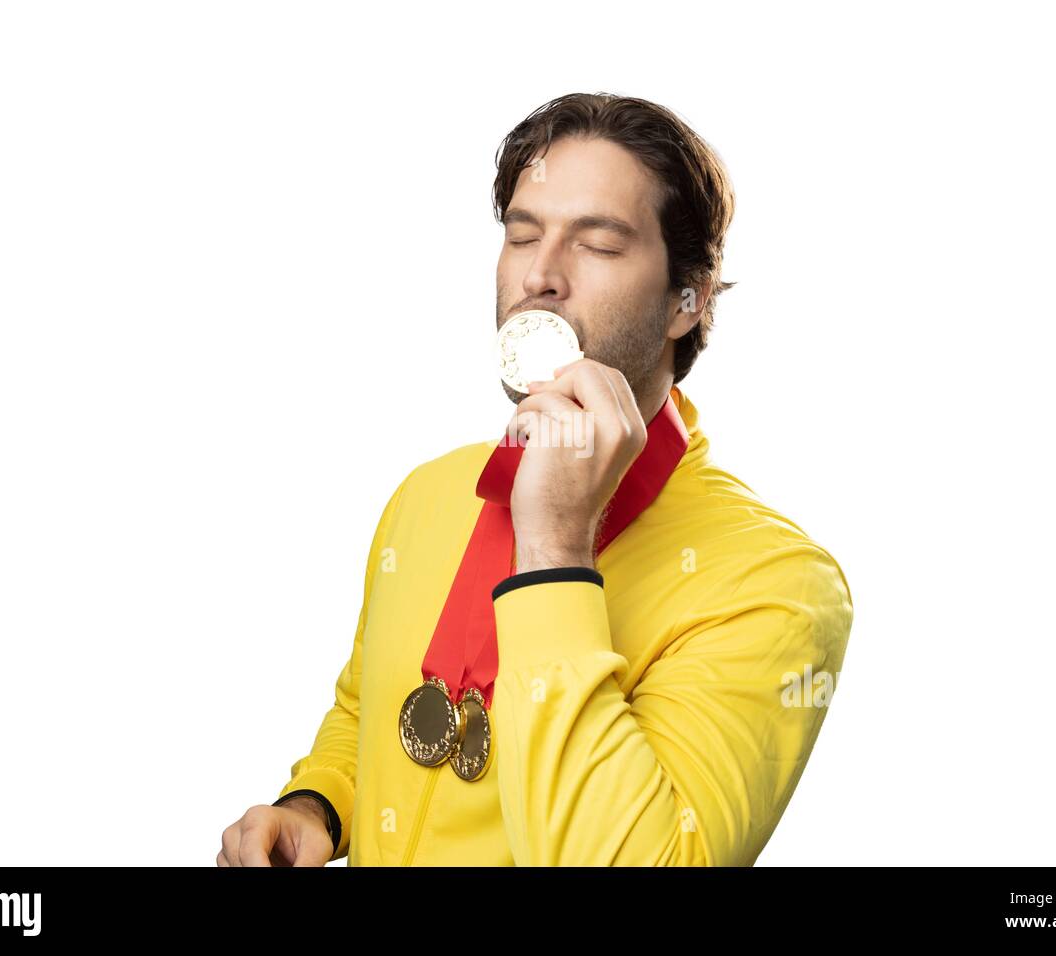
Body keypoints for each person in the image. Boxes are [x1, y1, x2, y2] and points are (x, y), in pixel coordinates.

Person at [217, 92, 854, 867]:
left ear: (686, 301)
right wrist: (318, 805)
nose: (541, 277)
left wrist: (556, 546)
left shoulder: (777, 584)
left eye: (600, 245)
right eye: (523, 236)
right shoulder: (429, 494)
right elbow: (366, 710)